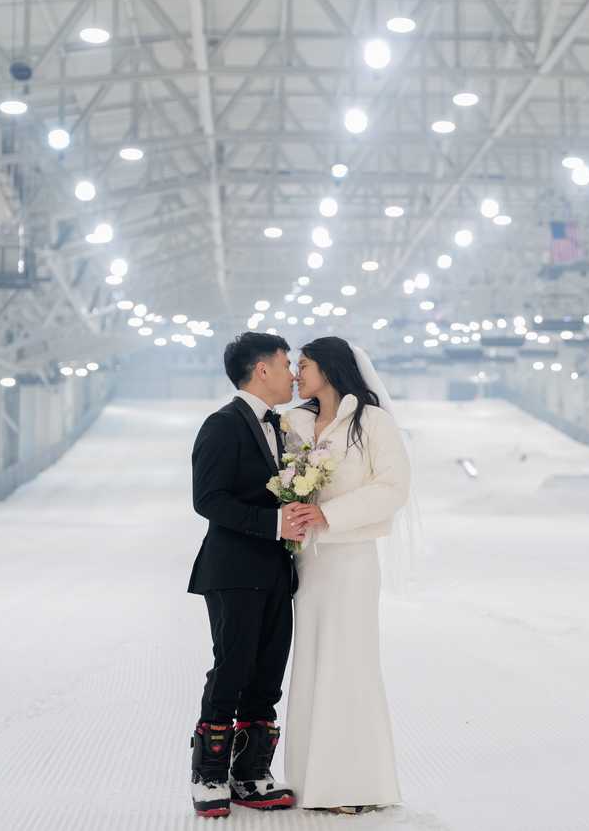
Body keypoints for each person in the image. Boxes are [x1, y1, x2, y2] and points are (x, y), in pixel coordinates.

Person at [186, 332, 315, 818]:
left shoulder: (283, 426)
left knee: (267, 672)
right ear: (262, 369)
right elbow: (208, 499)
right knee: (232, 669)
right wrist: (273, 523)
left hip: (277, 570)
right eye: (286, 364)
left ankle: (252, 773)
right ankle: (209, 775)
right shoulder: (222, 425)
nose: (293, 374)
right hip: (233, 569)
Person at [282, 336, 411, 814]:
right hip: (307, 563)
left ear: (330, 369)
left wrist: (329, 515)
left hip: (351, 560)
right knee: (312, 664)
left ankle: (354, 784)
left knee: (348, 664)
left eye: (304, 365)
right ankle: (310, 781)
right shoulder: (292, 422)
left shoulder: (372, 422)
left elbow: (393, 487)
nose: (296, 374)